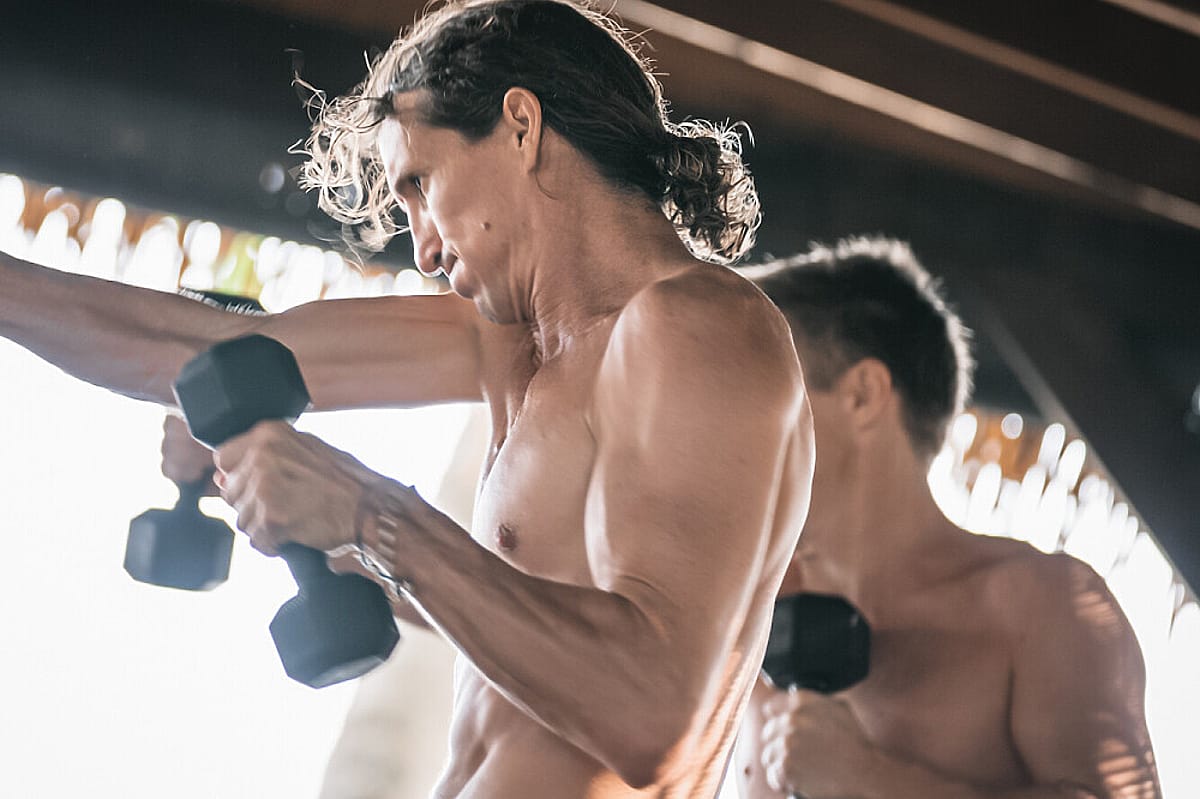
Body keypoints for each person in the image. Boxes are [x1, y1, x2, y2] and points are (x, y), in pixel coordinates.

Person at [0, 1, 814, 795]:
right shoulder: (517, 349)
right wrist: (330, 527)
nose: (421, 246)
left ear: (521, 127)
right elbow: (198, 354)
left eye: (422, 184)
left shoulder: (699, 326)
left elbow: (652, 717)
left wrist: (366, 512)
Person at [735, 237, 1160, 799]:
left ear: (863, 394)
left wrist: (870, 780)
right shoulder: (744, 618)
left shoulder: (1041, 604)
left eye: (756, 388)